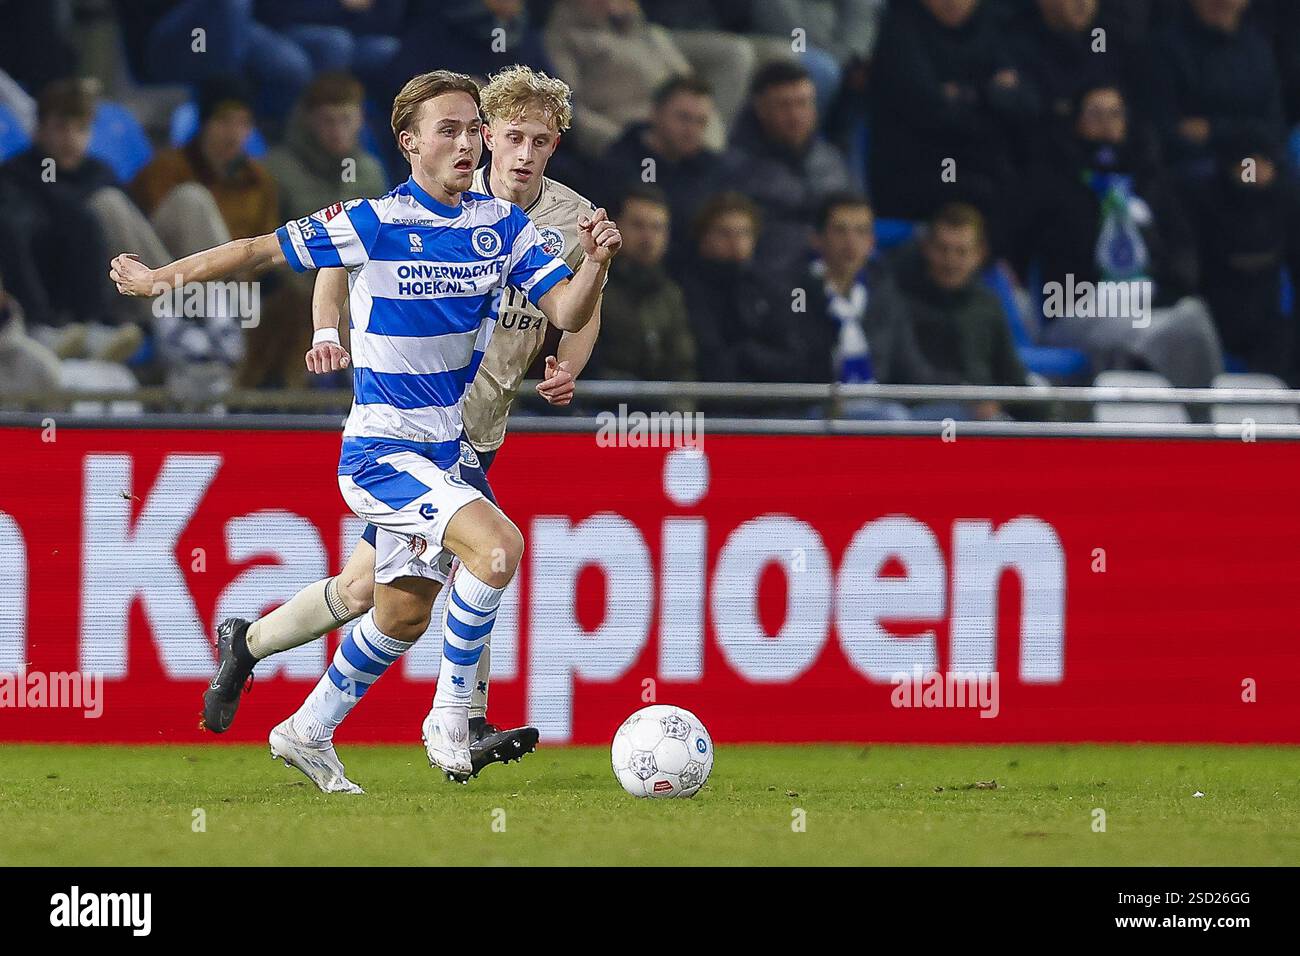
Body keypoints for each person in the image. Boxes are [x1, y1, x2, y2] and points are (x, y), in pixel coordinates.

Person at [111, 70, 621, 790]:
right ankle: (452, 719)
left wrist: (596, 262)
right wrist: (160, 278)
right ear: (409, 144)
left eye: (472, 127)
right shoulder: (375, 220)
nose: (466, 141)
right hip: (383, 452)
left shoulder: (504, 229)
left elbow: (567, 313)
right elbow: (258, 250)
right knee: (499, 547)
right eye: (447, 129)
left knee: (400, 613)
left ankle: (305, 729)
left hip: (448, 449)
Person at [791, 193, 943, 418]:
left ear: (871, 242)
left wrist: (966, 387)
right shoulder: (795, 293)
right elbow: (790, 368)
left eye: (861, 231)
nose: (851, 241)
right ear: (817, 238)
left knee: (972, 418)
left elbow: (912, 369)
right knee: (894, 419)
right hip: (816, 411)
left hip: (878, 407)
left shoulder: (884, 295)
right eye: (840, 230)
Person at [893, 203, 1031, 421]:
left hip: (984, 410)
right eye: (943, 249)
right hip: (922, 414)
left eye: (961, 252)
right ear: (926, 248)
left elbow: (1012, 376)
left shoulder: (988, 304)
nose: (951, 261)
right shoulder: (899, 300)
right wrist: (968, 397)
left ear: (979, 254)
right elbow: (904, 375)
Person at [724, 60, 853, 276]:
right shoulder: (734, 166)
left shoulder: (830, 159)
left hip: (836, 276)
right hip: (771, 278)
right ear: (760, 109)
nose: (795, 116)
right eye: (784, 105)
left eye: (803, 103)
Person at [601, 76, 728, 263]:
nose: (691, 129)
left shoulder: (711, 169)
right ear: (655, 113)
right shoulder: (621, 164)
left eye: (700, 121)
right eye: (684, 118)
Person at [587, 185, 695, 382]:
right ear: (614, 226)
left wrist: (679, 412)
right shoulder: (591, 283)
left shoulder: (670, 293)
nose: (648, 238)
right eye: (637, 225)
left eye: (657, 228)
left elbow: (681, 366)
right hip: (598, 406)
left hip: (657, 408)